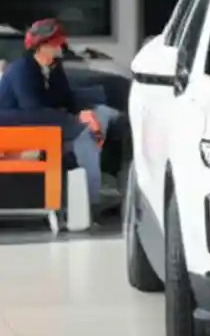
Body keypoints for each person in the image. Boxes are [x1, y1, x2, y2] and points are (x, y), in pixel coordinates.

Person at [0, 19, 123, 208]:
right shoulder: (22, 70)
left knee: (101, 116)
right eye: (57, 42)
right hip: (14, 128)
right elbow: (33, 111)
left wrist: (87, 111)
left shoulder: (54, 68)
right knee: (83, 132)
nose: (62, 46)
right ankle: (91, 201)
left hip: (43, 123)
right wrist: (76, 119)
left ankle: (95, 193)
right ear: (42, 46)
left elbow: (66, 99)